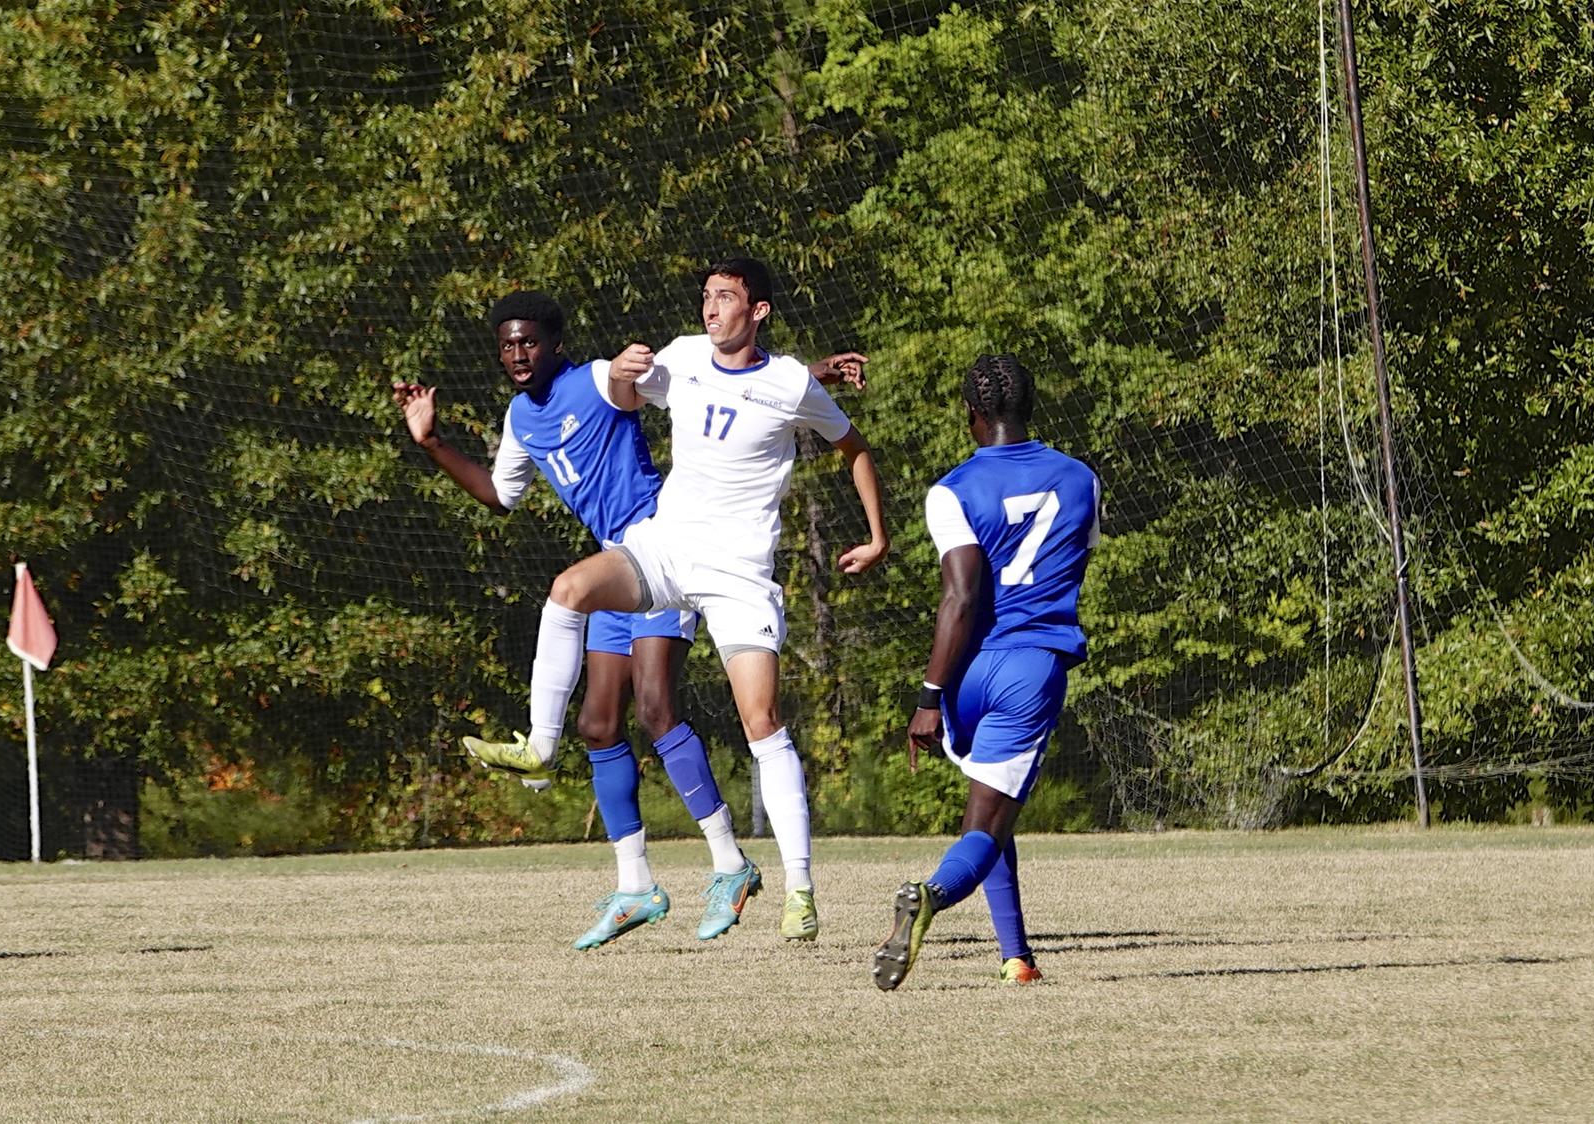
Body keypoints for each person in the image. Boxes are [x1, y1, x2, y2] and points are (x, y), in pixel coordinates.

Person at [394, 289, 863, 950]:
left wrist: (808, 374)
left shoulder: (595, 379)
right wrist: (432, 439)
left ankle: (731, 864)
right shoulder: (520, 418)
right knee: (597, 723)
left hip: (665, 553)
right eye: (507, 344)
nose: (518, 354)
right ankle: (636, 884)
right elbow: (500, 495)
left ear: (557, 344)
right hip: (616, 568)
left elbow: (718, 388)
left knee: (655, 709)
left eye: (530, 341)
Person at [871, 354, 1099, 990]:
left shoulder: (951, 489)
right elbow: (1065, 562)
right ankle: (930, 895)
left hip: (966, 675)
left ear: (971, 415)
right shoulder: (1081, 479)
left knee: (995, 810)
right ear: (1029, 409)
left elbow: (961, 596)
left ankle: (1016, 956)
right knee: (986, 824)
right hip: (1030, 669)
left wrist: (929, 695)